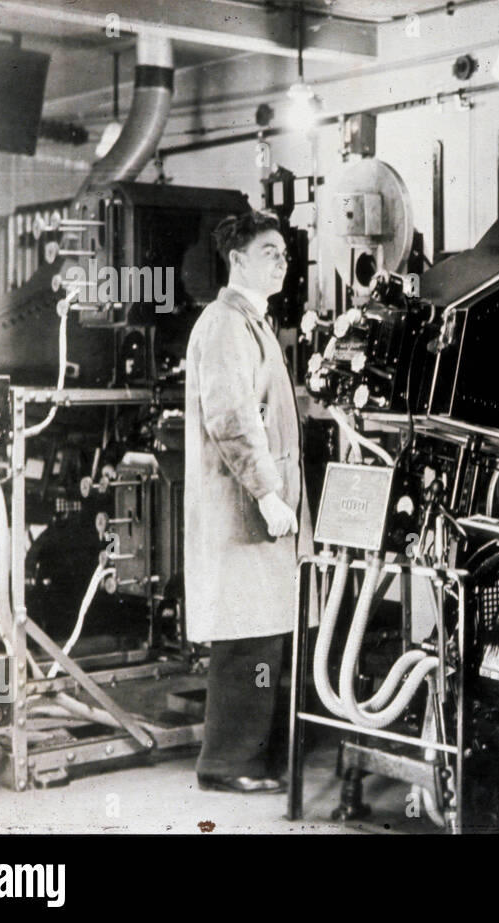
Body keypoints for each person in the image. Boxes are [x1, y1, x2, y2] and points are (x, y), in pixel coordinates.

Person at [184, 209, 307, 793]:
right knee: (245, 636)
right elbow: (231, 417)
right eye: (268, 252)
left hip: (259, 510)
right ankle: (228, 763)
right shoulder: (226, 324)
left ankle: (251, 759)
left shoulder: (253, 323)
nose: (282, 262)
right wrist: (267, 493)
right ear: (237, 260)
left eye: (284, 253)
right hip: (245, 509)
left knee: (263, 629)